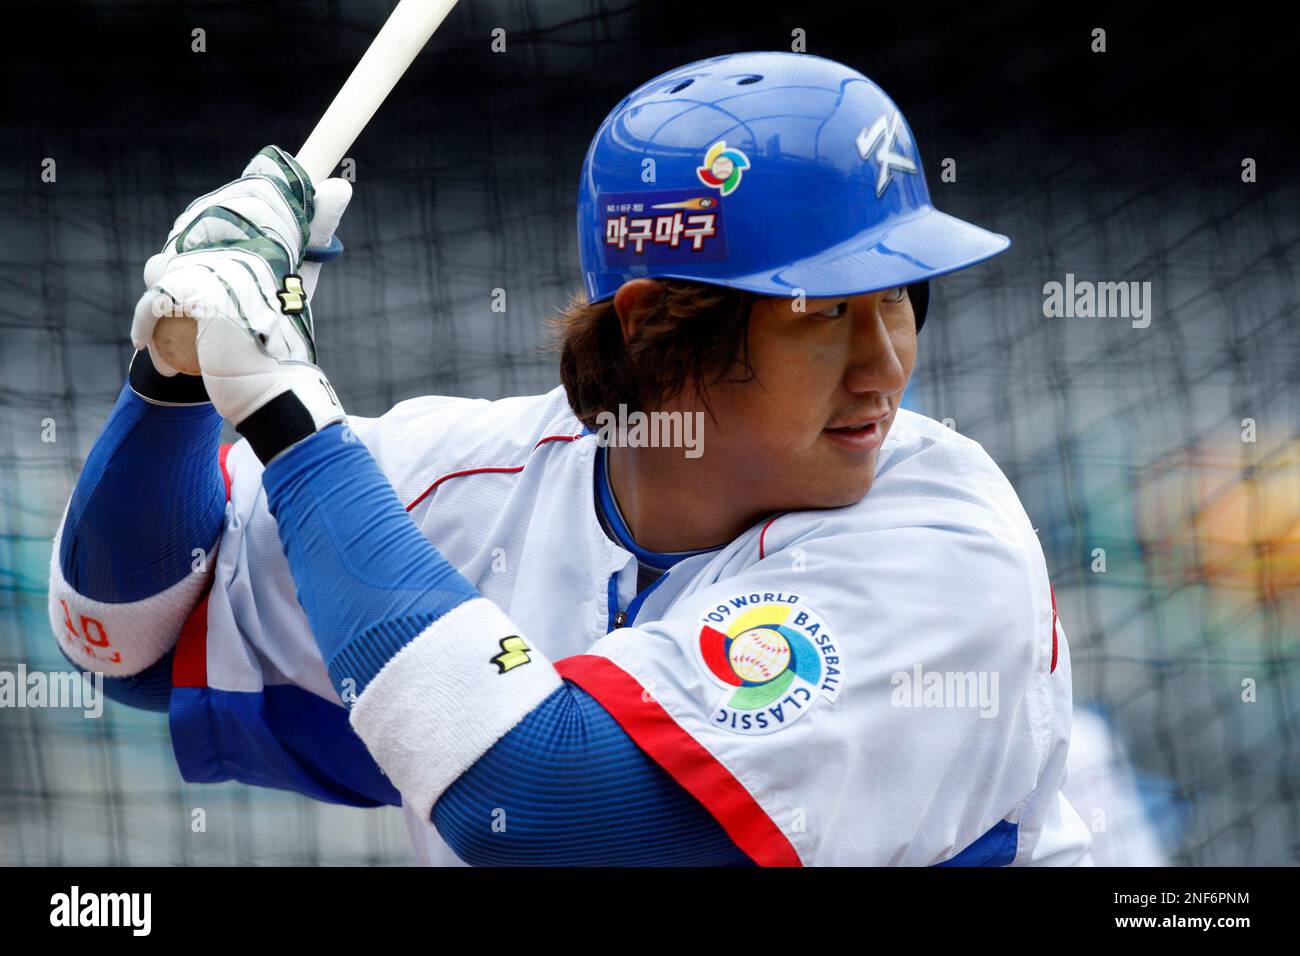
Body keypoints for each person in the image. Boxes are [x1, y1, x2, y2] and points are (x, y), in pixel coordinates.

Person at [47, 51, 1091, 866]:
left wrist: (285, 411)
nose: (886, 365)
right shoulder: (467, 478)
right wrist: (178, 370)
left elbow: (557, 811)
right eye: (824, 314)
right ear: (650, 327)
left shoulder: (950, 541)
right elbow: (127, 636)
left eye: (902, 300)